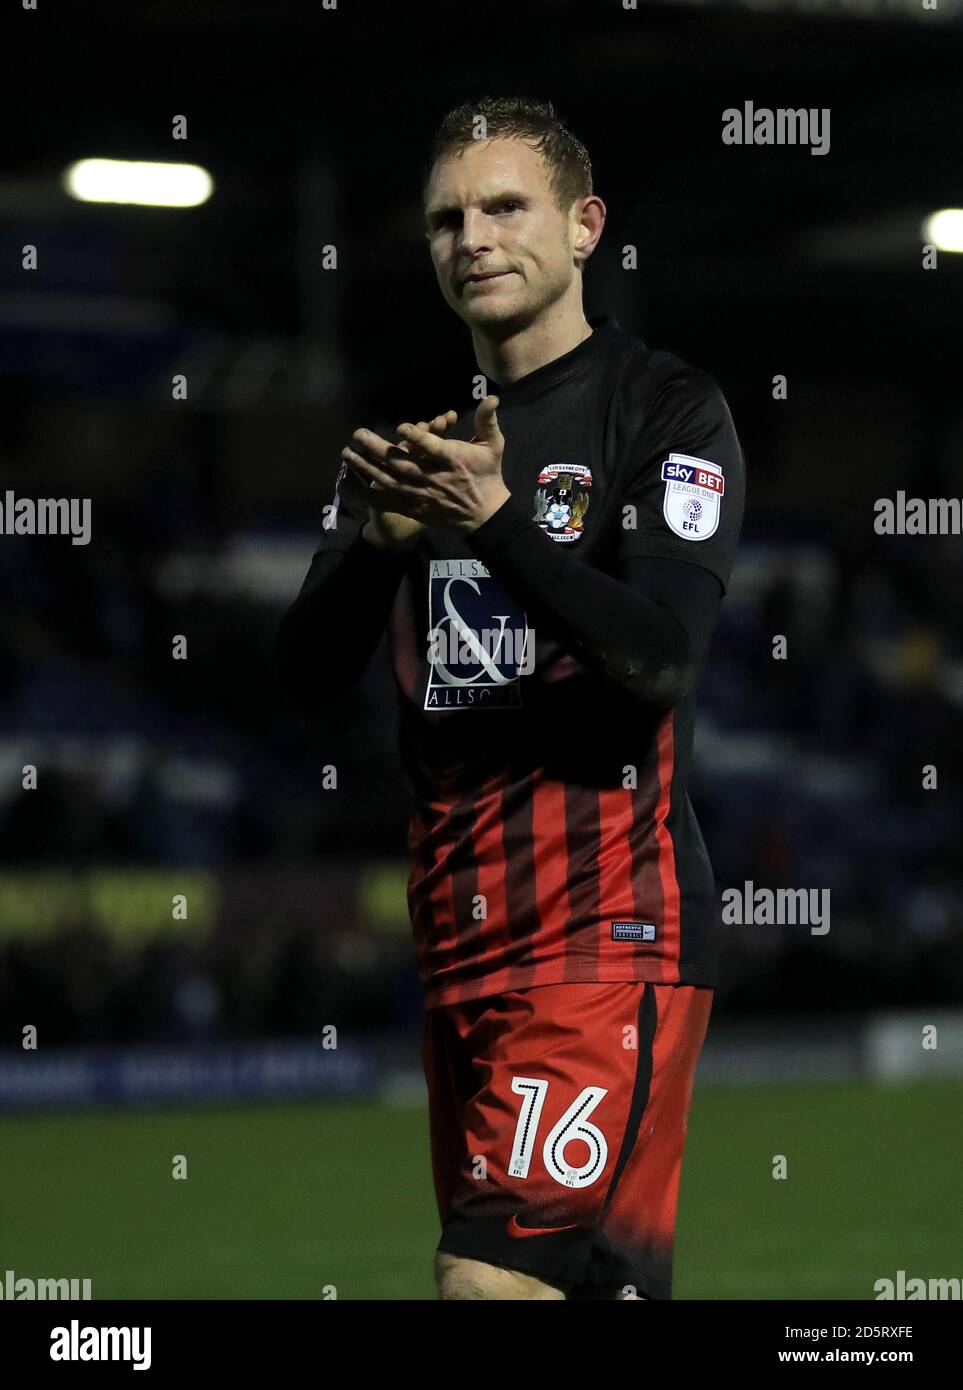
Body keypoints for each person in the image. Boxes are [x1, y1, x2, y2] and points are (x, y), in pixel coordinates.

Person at [276, 95, 745, 1300]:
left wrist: (494, 523)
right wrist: (381, 544)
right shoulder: (408, 435)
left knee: (488, 1285)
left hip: (605, 934)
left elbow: (657, 660)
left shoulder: (666, 409)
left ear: (584, 226)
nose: (470, 238)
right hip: (461, 947)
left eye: (503, 207)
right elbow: (298, 680)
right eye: (445, 219)